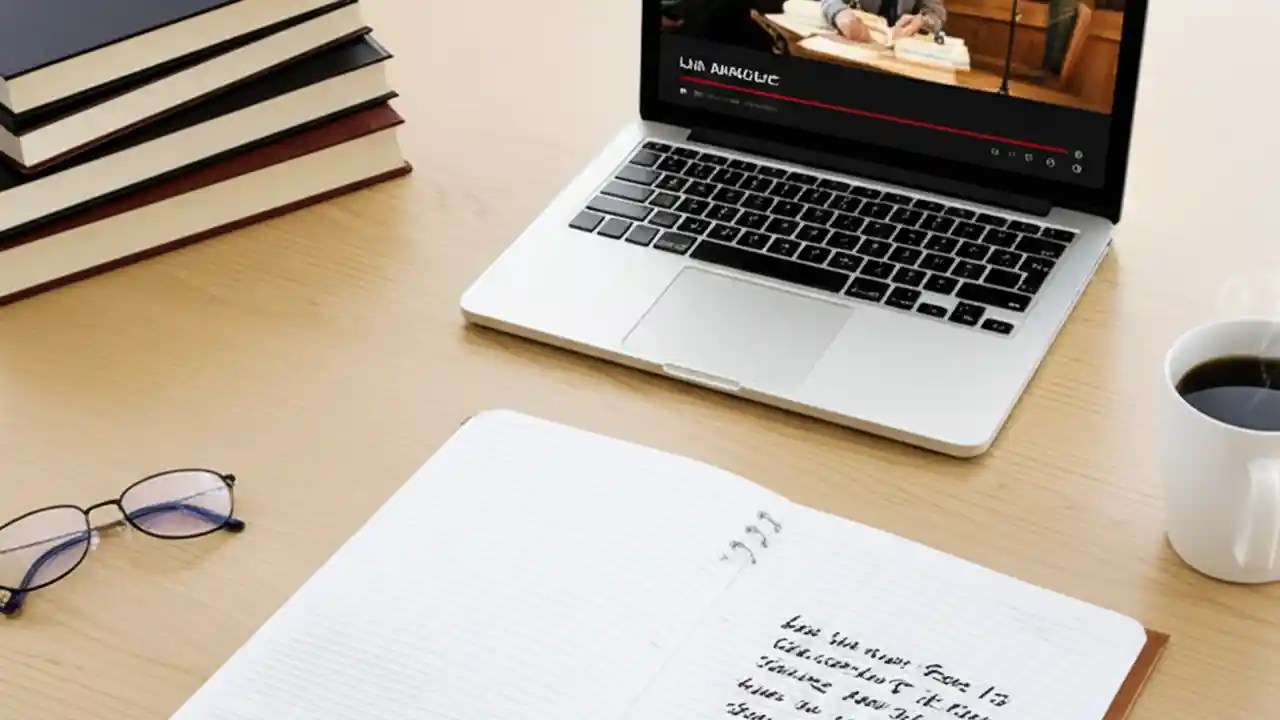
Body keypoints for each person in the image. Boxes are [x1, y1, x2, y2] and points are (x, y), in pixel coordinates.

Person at [821, 0, 946, 44]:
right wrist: (839, 13)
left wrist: (921, 22)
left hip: (898, 52)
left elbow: (936, 14)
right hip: (857, 44)